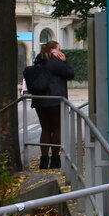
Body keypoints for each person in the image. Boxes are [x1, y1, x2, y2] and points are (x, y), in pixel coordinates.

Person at [30, 41, 74, 170]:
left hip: (40, 100)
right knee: (57, 128)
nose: (60, 52)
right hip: (55, 100)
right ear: (53, 50)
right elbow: (70, 74)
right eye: (59, 50)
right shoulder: (54, 62)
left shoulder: (38, 60)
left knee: (46, 129)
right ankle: (55, 160)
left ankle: (44, 161)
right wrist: (64, 61)